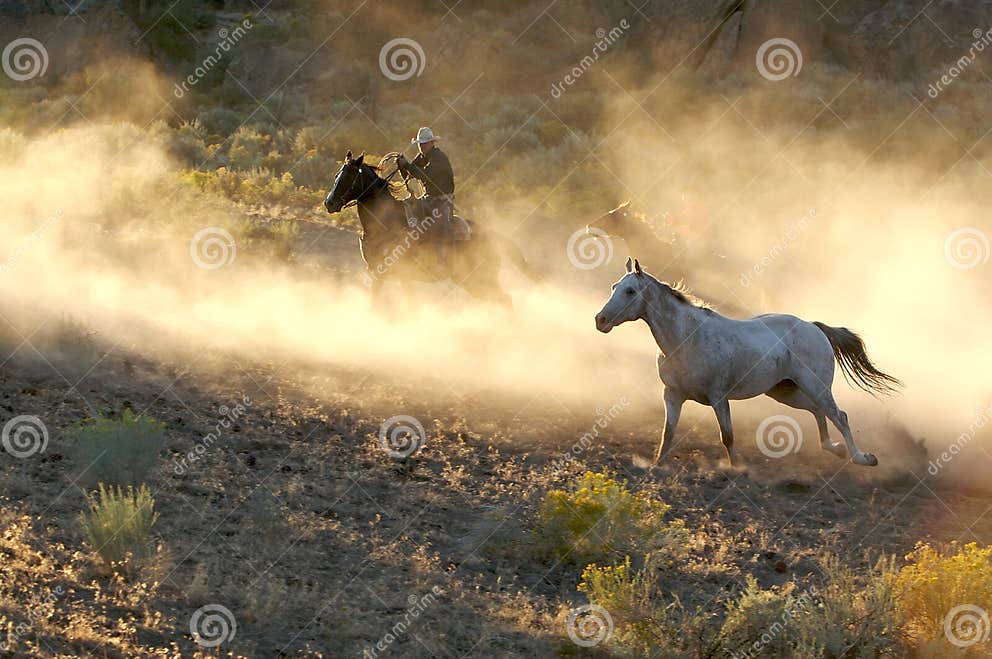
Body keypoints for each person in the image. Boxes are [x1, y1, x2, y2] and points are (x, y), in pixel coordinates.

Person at [397, 127, 457, 258]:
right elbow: (412, 172)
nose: (421, 146)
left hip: (442, 200)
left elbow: (424, 175)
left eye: (424, 143)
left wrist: (406, 165)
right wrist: (403, 165)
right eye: (420, 144)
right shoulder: (424, 156)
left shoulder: (438, 157)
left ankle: (444, 255)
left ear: (432, 143)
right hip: (429, 198)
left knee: (438, 226)